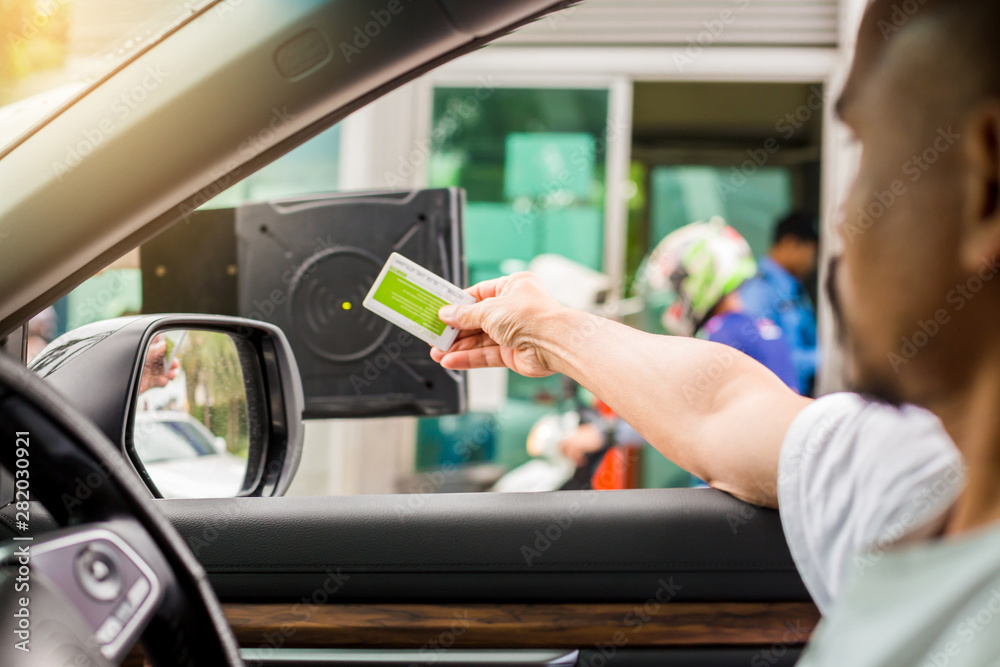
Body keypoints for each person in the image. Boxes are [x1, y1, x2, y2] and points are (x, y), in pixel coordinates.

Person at [430, 0, 1000, 663]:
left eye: (871, 147)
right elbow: (723, 403)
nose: (841, 220)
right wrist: (549, 329)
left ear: (984, 182)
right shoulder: (915, 471)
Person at [739, 211, 820, 395]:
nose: (813, 261)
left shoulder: (795, 287)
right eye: (812, 251)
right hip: (775, 400)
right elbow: (761, 354)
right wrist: (824, 360)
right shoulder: (758, 288)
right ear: (790, 243)